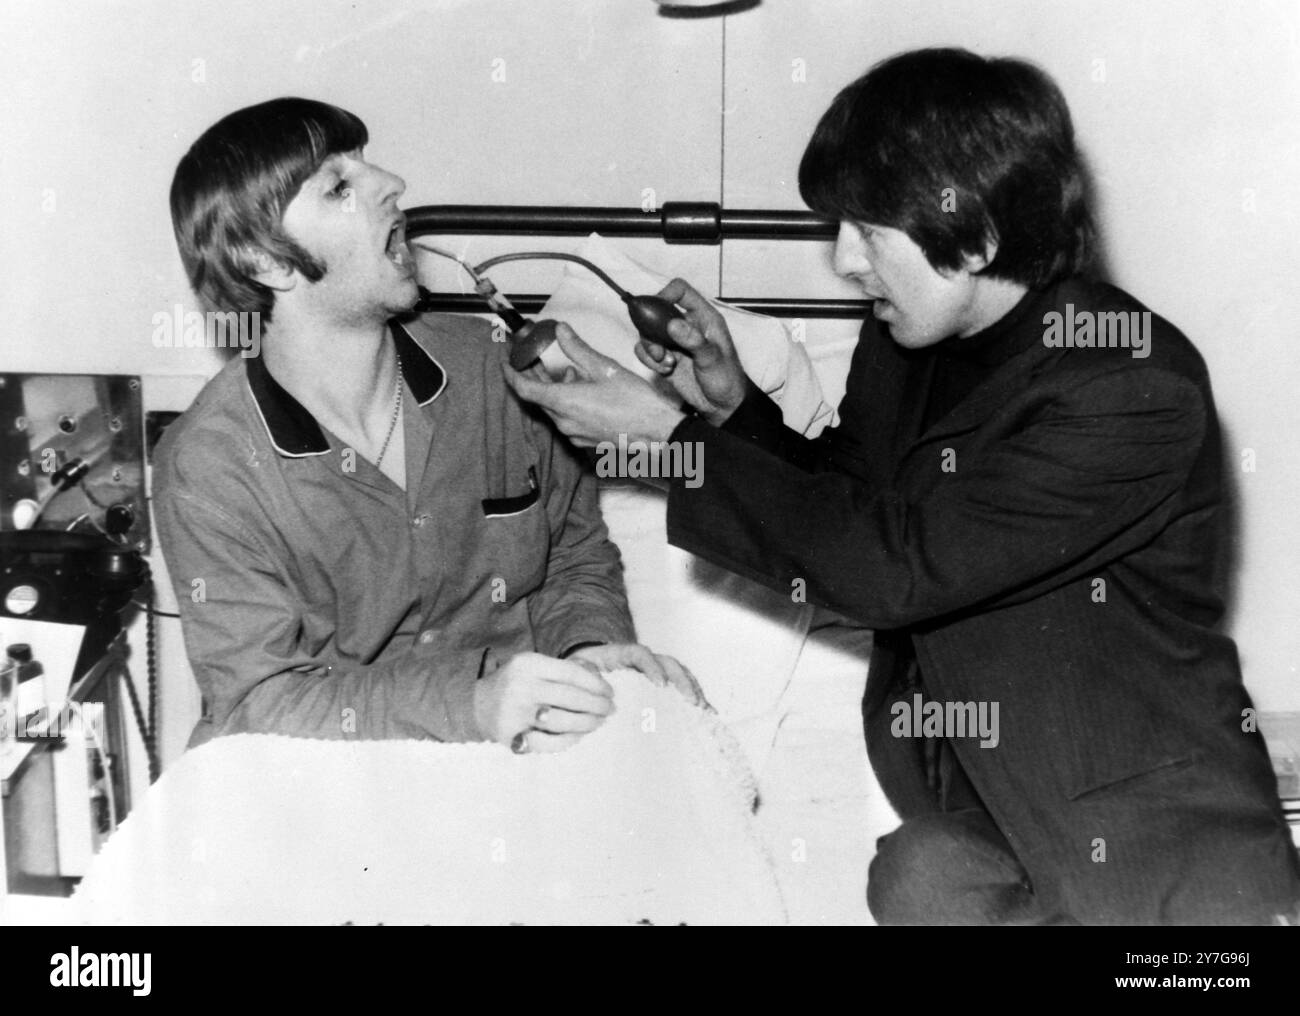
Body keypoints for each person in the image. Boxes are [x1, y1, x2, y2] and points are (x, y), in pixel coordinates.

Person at [505, 48, 1300, 924]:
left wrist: (668, 440)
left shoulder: (1130, 383)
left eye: (870, 231)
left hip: (1154, 845)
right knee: (915, 877)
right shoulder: (907, 339)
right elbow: (855, 503)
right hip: (976, 831)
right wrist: (729, 411)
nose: (845, 261)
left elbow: (898, 567)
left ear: (981, 236)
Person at [155, 97, 698, 754]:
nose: (391, 185)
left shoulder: (498, 375)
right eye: (338, 187)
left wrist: (587, 656)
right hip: (328, 782)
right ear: (265, 261)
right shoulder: (208, 467)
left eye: (366, 164)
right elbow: (256, 697)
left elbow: (573, 558)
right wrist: (470, 705)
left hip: (524, 752)